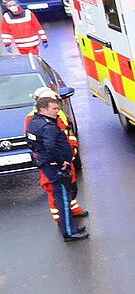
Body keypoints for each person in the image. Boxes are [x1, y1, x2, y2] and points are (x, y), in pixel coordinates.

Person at [27, 95, 87, 241]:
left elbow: (31, 142)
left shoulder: (34, 122)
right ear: (43, 110)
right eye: (54, 109)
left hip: (47, 164)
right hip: (55, 167)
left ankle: (69, 227)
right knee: (63, 198)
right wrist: (61, 162)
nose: (57, 111)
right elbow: (51, 147)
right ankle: (69, 232)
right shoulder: (48, 127)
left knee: (62, 197)